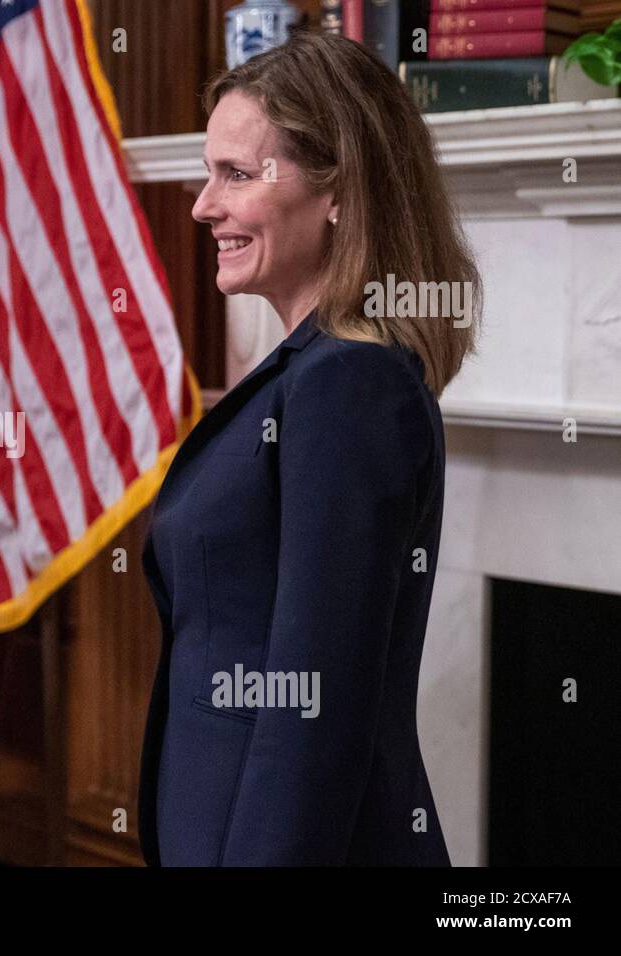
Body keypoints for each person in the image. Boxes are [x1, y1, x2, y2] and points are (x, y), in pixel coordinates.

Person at [139, 31, 481, 866]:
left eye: (235, 174)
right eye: (207, 171)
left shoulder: (349, 387)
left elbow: (314, 708)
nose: (202, 205)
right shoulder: (310, 372)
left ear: (338, 191)